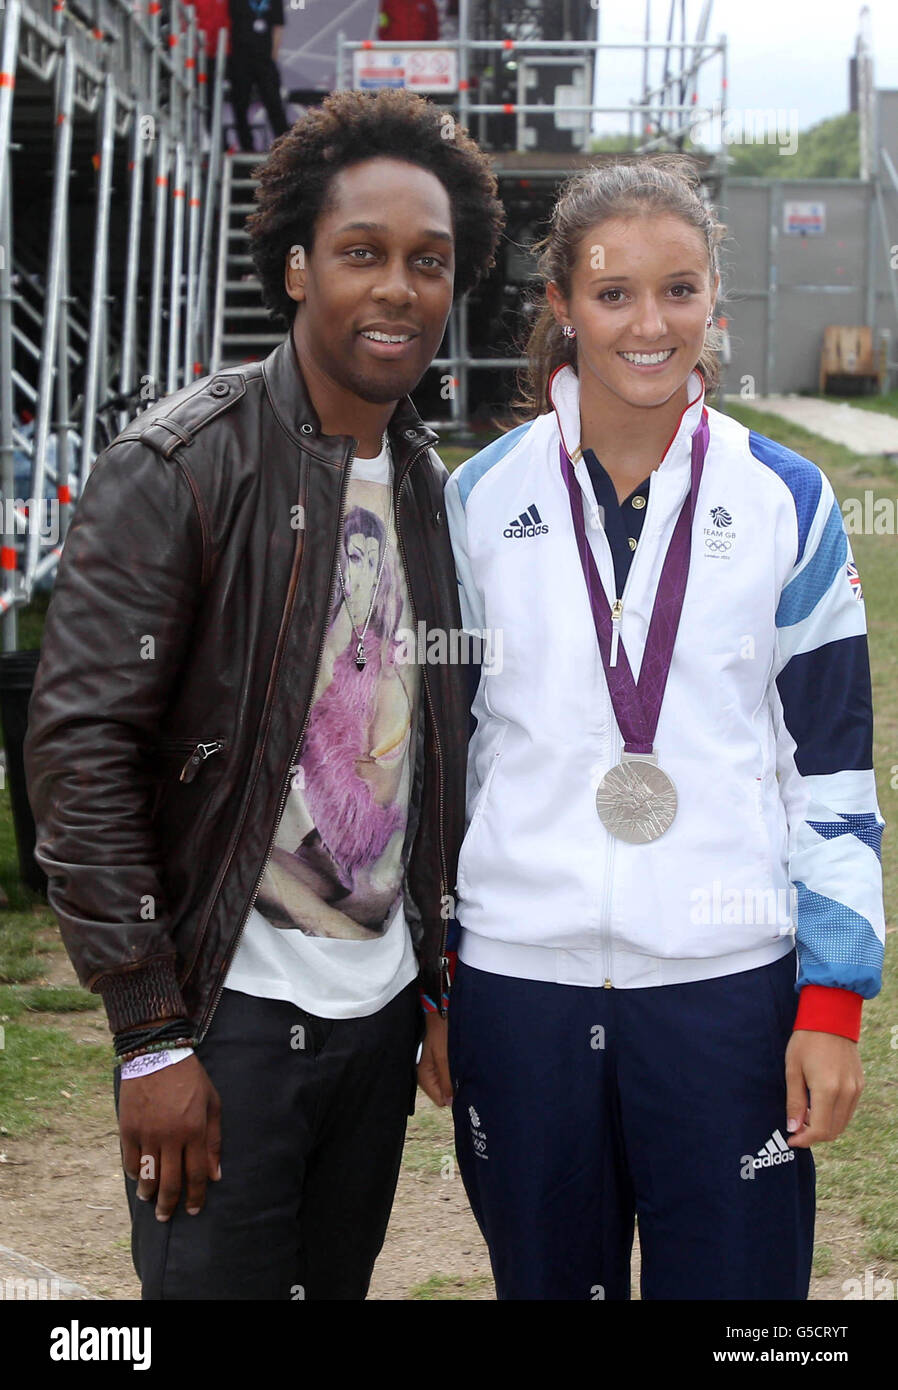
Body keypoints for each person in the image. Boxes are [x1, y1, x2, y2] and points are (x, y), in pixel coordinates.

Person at [24, 88, 503, 1301]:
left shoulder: (431, 494)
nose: (397, 288)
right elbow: (81, 751)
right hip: (224, 1019)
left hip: (381, 1015)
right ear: (297, 269)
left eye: (428, 262)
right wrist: (150, 1033)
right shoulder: (180, 466)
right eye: (362, 253)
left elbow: (434, 755)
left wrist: (435, 979)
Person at [442, 156, 885, 1301]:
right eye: (613, 293)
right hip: (521, 985)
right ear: (561, 306)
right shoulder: (476, 500)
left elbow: (831, 766)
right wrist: (441, 986)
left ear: (714, 305)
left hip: (725, 985)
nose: (649, 324)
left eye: (678, 290)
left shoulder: (787, 500)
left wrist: (830, 1000)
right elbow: (443, 758)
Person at [227, 0, 289, 151]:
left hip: (264, 60)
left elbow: (278, 27)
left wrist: (272, 58)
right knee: (240, 105)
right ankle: (247, 147)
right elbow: (228, 22)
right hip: (240, 59)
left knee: (274, 104)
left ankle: (287, 148)